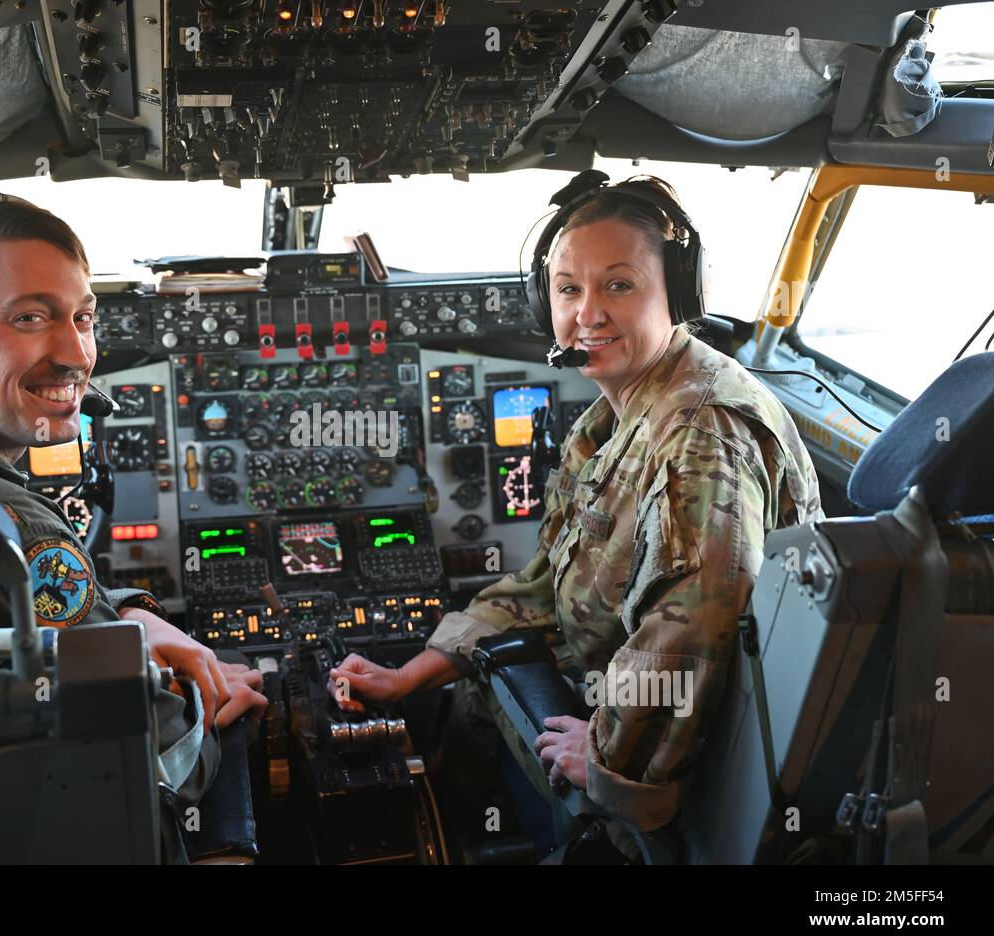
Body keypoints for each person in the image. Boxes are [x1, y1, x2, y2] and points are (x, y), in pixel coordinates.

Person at [332, 172, 823, 853]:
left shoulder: (698, 438)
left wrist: (608, 762)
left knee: (472, 714)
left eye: (618, 285)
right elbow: (549, 581)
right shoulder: (617, 416)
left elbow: (691, 636)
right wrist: (410, 672)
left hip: (692, 758)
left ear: (676, 295)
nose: (587, 312)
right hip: (616, 692)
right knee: (460, 693)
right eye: (569, 288)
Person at [0, 191, 265, 802]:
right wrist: (208, 696)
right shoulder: (6, 528)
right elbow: (158, 766)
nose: (77, 356)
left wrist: (123, 613)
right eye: (29, 318)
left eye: (83, 318)